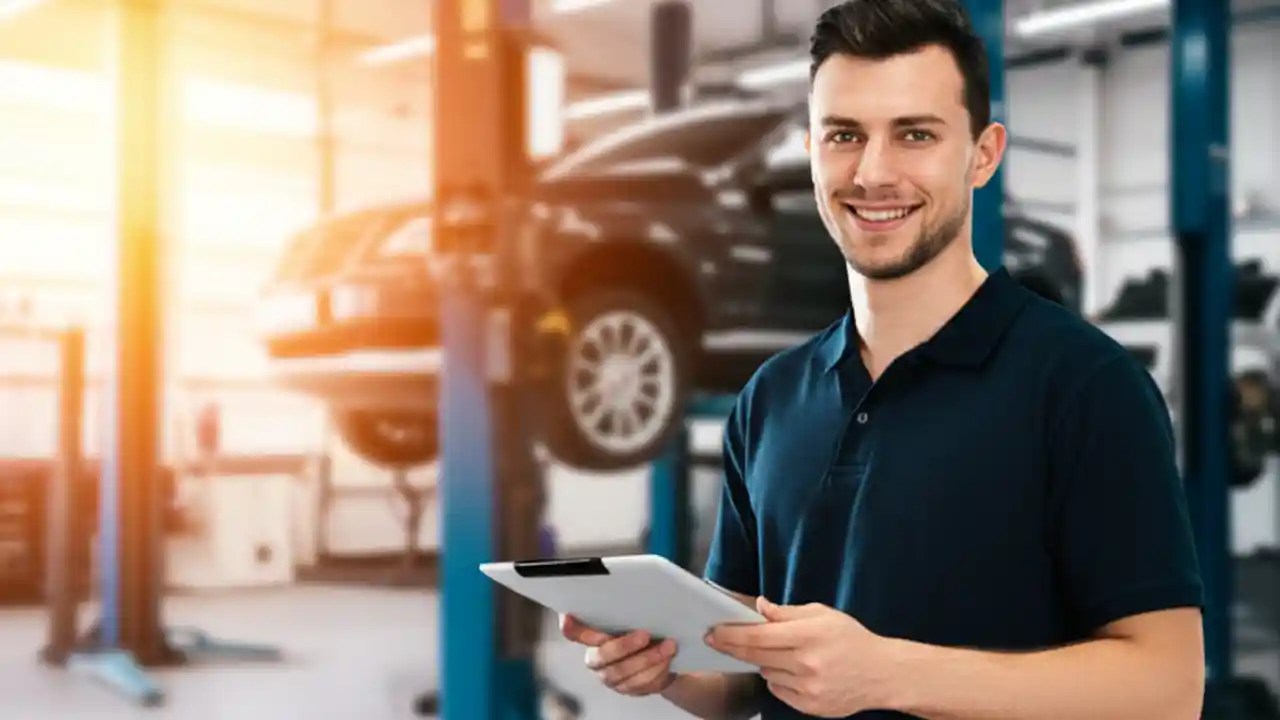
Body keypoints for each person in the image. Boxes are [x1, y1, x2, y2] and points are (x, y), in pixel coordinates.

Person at [559, 1, 1206, 718]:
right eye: (844, 135)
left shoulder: (1085, 387)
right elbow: (738, 675)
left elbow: (1168, 688)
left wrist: (890, 675)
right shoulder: (770, 400)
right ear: (811, 152)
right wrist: (665, 665)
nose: (873, 172)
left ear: (983, 154)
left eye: (915, 135)